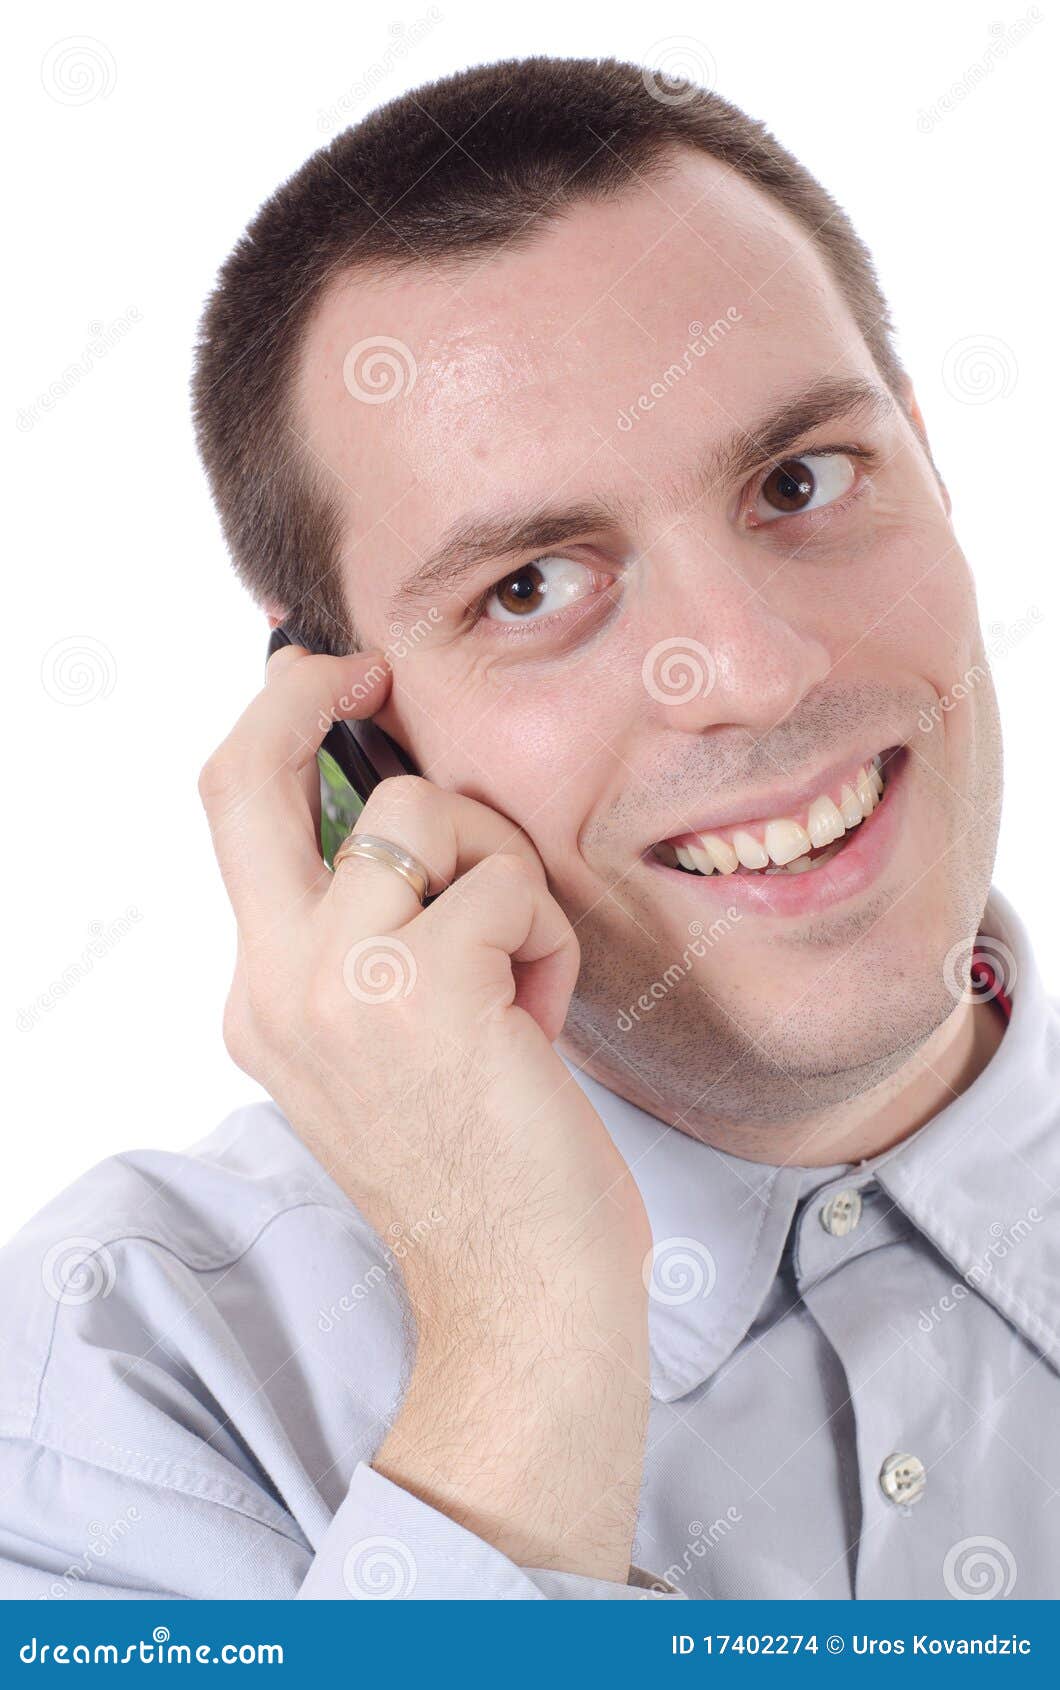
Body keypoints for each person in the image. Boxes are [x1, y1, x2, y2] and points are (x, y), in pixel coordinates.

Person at [2, 56, 1056, 1601]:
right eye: (532, 585)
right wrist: (523, 1339)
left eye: (801, 478)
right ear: (351, 738)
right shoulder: (106, 1380)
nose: (752, 668)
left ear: (931, 463)